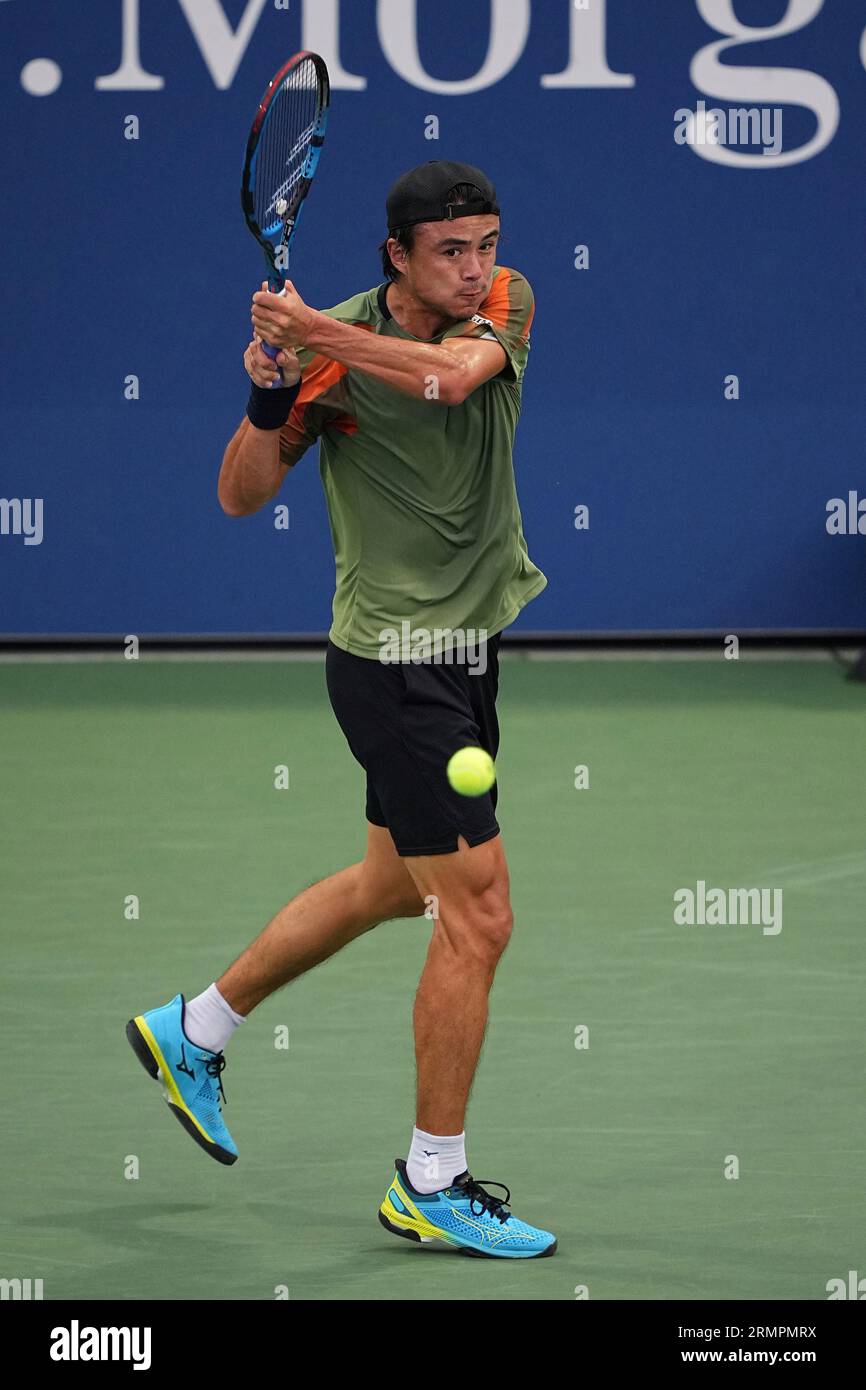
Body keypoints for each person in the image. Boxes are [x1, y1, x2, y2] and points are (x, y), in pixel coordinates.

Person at [127, 160, 555, 1259]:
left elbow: (449, 383)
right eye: (449, 251)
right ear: (396, 257)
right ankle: (432, 1180)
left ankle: (196, 1027)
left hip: (465, 649)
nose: (474, 269)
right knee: (479, 913)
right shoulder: (332, 354)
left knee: (385, 886)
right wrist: (273, 389)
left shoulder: (500, 307)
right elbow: (240, 493)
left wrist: (315, 331)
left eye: (484, 245)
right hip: (392, 664)